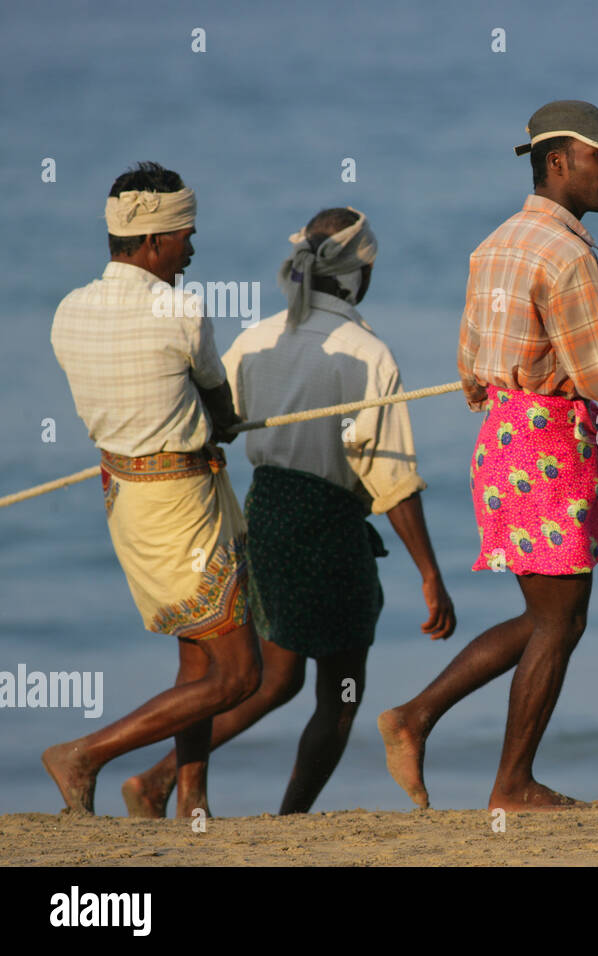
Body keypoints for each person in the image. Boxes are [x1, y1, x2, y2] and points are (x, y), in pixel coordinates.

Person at [121, 207, 455, 816]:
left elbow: (212, 422)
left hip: (266, 513)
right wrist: (430, 573)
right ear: (362, 272)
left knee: (276, 679)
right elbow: (390, 476)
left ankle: (161, 778)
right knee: (340, 692)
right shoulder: (367, 352)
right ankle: (289, 815)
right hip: (326, 523)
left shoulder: (255, 340)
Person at [378, 102, 598, 811]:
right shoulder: (568, 252)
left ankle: (418, 719)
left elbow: (469, 368)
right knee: (561, 621)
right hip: (551, 445)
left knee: (549, 615)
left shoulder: (493, 244)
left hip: (501, 438)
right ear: (559, 163)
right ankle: (509, 782)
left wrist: (518, 390)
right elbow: (597, 377)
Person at [46, 161, 261, 816]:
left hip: (128, 501)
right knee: (242, 674)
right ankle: (85, 754)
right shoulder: (178, 310)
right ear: (153, 243)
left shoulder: (68, 312)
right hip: (182, 507)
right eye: (185, 237)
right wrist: (221, 423)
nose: (192, 251)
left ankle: (191, 799)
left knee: (198, 662)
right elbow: (219, 406)